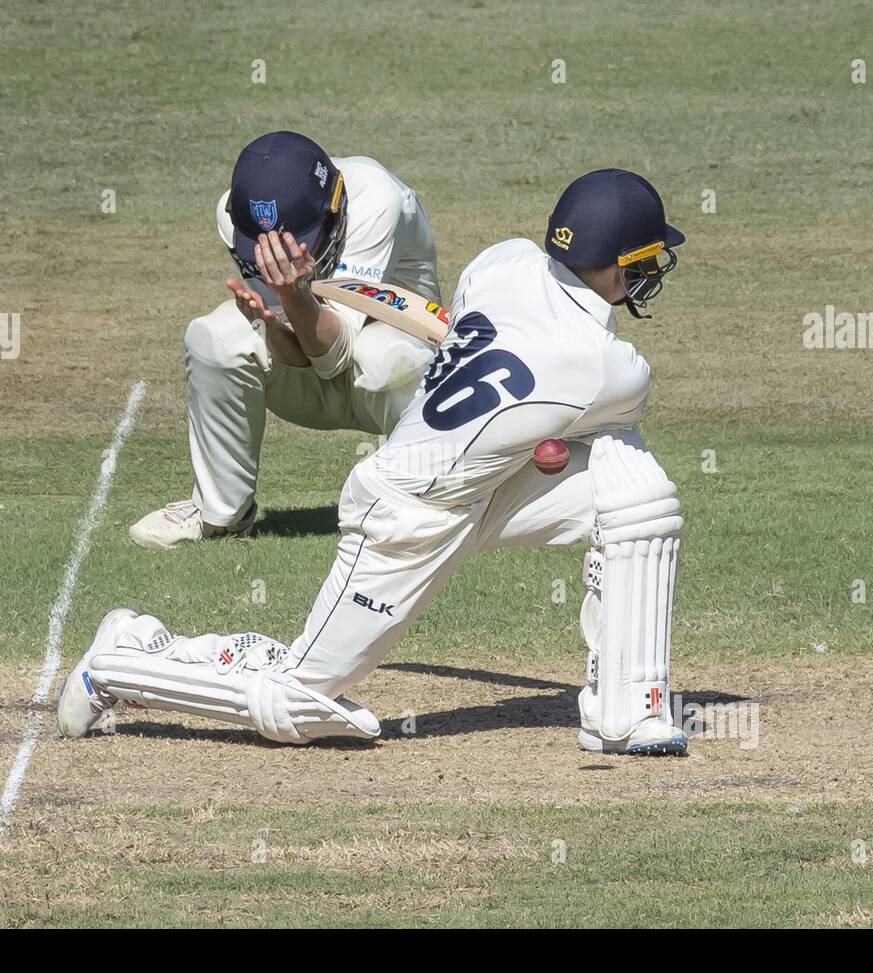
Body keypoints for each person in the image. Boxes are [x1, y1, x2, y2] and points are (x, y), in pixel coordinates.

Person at [65, 168, 689, 755]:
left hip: (487, 484)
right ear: (620, 264)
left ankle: (630, 708)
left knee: (635, 494)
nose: (653, 270)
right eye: (647, 260)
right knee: (300, 703)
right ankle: (126, 657)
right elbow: (579, 429)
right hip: (403, 514)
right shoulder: (616, 369)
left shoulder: (507, 259)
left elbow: (497, 350)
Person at [129, 130, 441, 548]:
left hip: (397, 387)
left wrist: (295, 298)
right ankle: (220, 514)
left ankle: (422, 498)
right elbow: (310, 352)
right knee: (215, 336)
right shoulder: (233, 217)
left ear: (335, 208)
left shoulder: (377, 202)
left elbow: (336, 356)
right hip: (310, 369)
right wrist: (272, 327)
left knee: (386, 355)